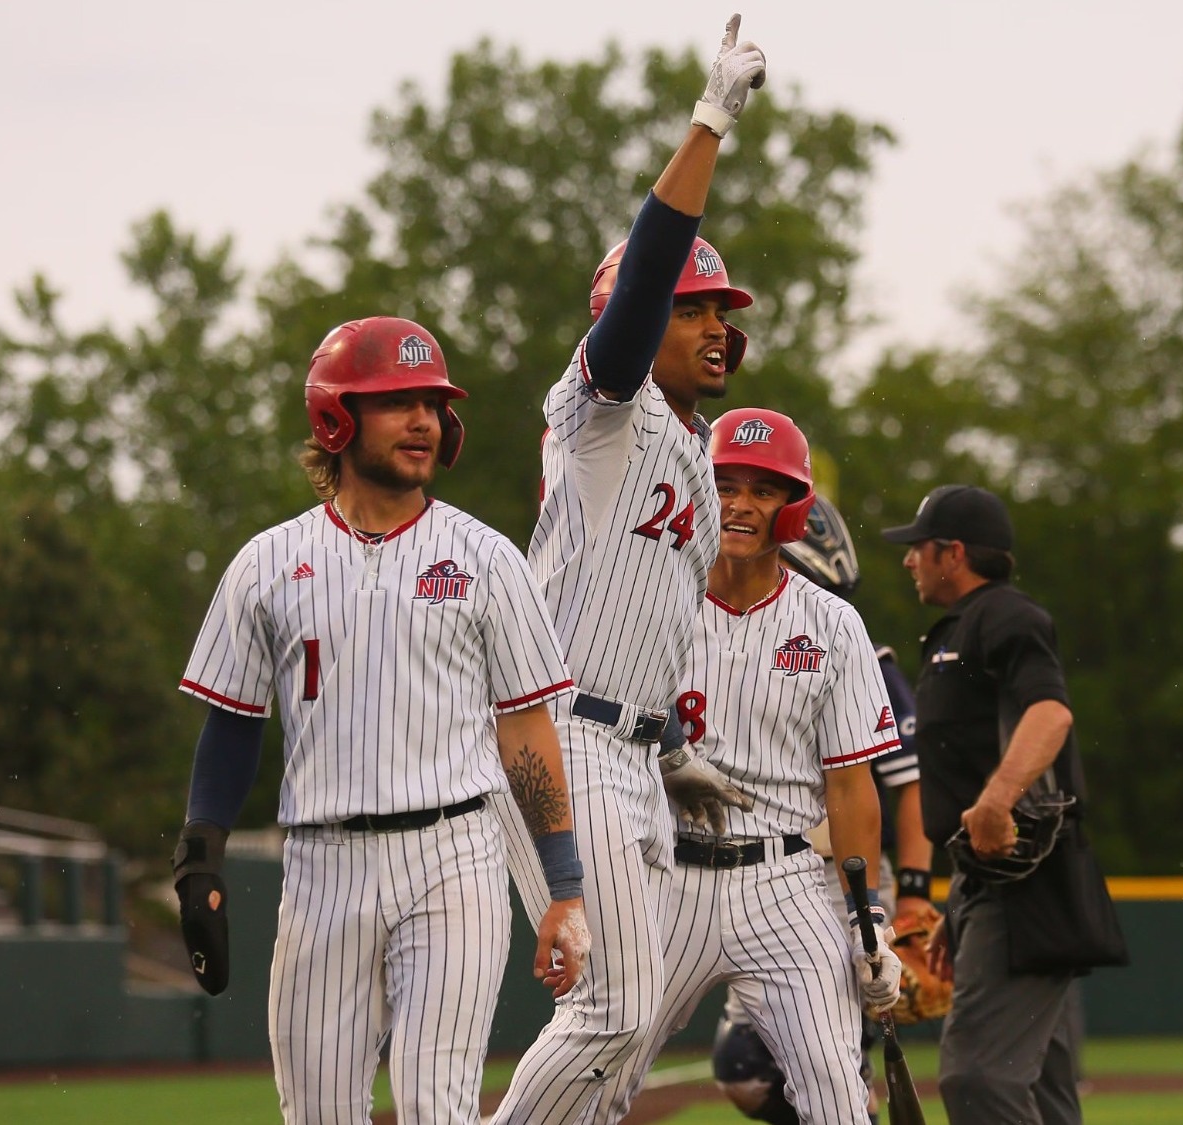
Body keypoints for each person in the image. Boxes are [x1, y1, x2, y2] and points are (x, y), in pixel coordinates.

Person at [171, 316, 590, 1124]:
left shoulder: (485, 558)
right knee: (318, 1111)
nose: (425, 419)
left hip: (454, 855)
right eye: (398, 401)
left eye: (432, 402)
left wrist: (562, 887)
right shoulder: (267, 562)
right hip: (323, 865)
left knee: (437, 1105)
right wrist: (199, 857)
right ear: (336, 417)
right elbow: (231, 724)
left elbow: (527, 734)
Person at [491, 16, 767, 1124]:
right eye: (695, 309)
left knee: (623, 1038)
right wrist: (708, 124)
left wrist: (680, 748)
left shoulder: (700, 463)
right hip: (560, 738)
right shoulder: (602, 408)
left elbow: (661, 627)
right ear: (638, 316)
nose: (713, 327)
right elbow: (647, 268)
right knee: (611, 1009)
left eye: (724, 314)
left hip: (633, 757)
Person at [588, 409, 903, 1124]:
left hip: (787, 883)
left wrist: (870, 918)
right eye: (725, 484)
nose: (740, 504)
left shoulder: (832, 624)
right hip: (667, 874)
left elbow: (853, 785)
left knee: (836, 1098)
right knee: (598, 1074)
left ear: (794, 507)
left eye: (764, 489)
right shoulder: (651, 604)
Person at [886, 484, 1125, 1125]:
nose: (909, 560)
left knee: (977, 1080)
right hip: (992, 882)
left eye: (919, 548)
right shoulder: (959, 631)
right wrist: (959, 909)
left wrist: (998, 799)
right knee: (1042, 1091)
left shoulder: (1005, 615)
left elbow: (1050, 712)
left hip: (1027, 881)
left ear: (953, 553)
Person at [711, 494, 939, 1124]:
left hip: (844, 873)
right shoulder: (706, 637)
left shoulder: (855, 651)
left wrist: (913, 893)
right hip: (742, 870)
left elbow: (908, 783)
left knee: (824, 1069)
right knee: (747, 1071)